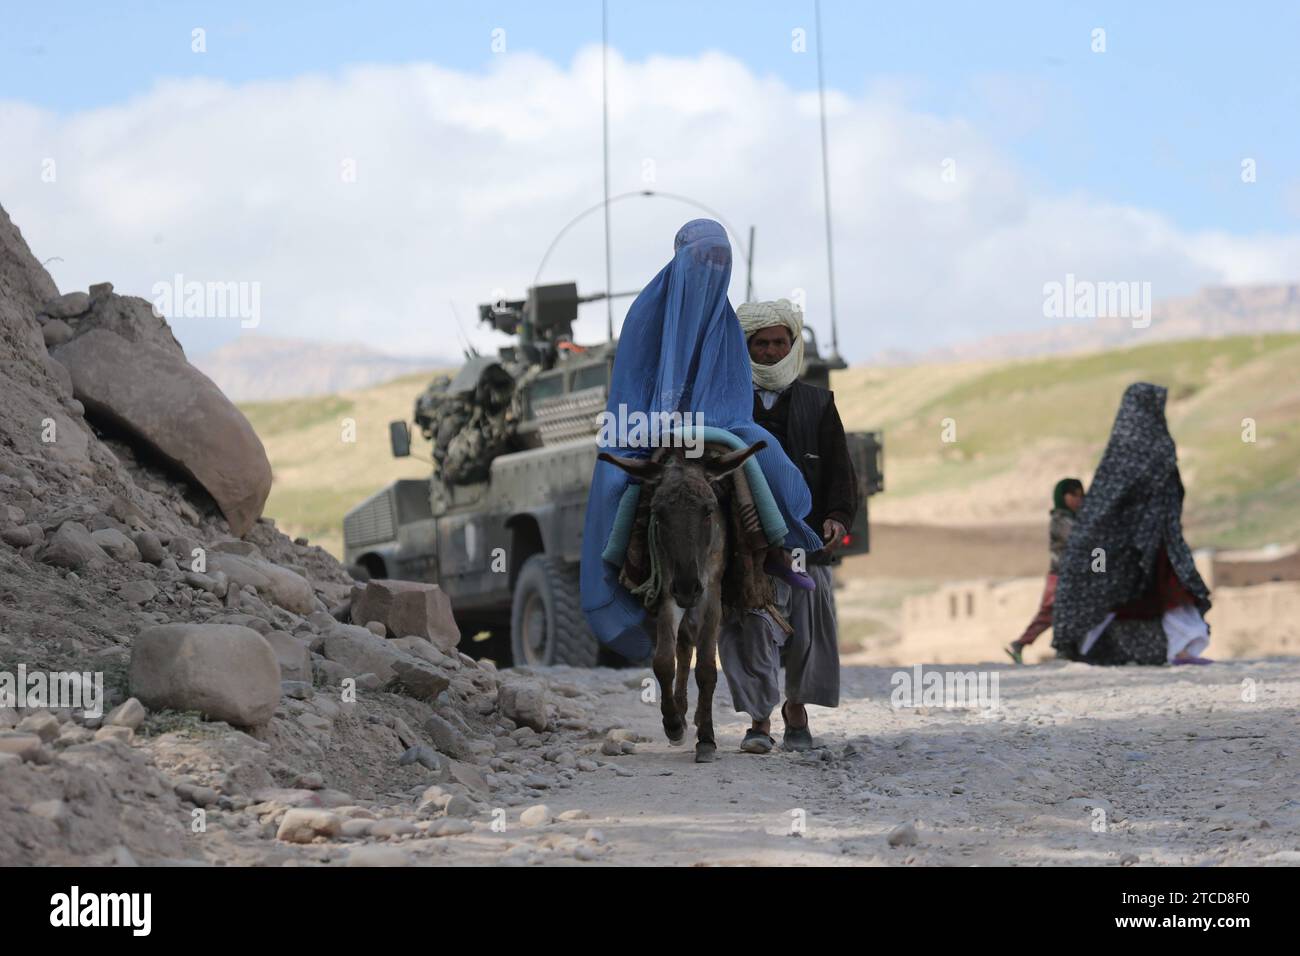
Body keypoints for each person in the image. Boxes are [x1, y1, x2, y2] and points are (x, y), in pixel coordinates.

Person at [579, 221, 825, 662]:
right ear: (681, 257)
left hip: (717, 420)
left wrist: (711, 420)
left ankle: (774, 548)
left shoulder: (725, 319)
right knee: (618, 484)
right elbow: (633, 382)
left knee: (761, 455)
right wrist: (658, 419)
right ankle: (618, 577)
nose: (711, 270)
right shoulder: (645, 313)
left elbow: (731, 386)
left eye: (720, 262)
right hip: (642, 422)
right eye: (703, 260)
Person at [716, 298, 858, 752]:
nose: (773, 351)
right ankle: (759, 722)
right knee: (752, 626)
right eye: (763, 343)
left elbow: (840, 471)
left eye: (781, 342)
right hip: (749, 545)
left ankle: (796, 711)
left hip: (807, 539)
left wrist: (837, 516)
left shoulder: (819, 403)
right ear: (746, 347)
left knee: (808, 629)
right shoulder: (725, 403)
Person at [1052, 383, 1213, 666]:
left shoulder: (1125, 447)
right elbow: (1127, 494)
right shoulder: (1149, 447)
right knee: (1124, 594)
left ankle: (1180, 648)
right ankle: (1170, 648)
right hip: (1135, 540)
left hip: (1150, 539)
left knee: (1163, 594)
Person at [1005, 478, 1084, 665]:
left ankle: (1022, 644)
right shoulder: (1060, 520)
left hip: (1070, 576)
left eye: (1081, 496)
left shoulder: (1074, 518)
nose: (1079, 500)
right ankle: (1029, 645)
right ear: (1062, 497)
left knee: (1057, 613)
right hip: (1060, 575)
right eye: (1074, 495)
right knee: (1052, 612)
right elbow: (1079, 537)